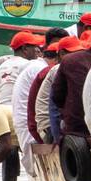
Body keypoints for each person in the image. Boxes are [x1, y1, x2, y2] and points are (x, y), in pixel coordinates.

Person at [11, 27, 67, 172]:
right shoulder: (44, 70)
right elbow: (52, 110)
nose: (37, 50)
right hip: (33, 134)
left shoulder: (36, 66)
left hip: (29, 129)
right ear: (60, 56)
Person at [0, 31, 44, 106]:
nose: (37, 50)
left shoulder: (3, 64)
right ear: (25, 49)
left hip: (0, 109)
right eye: (35, 46)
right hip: (16, 111)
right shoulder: (29, 65)